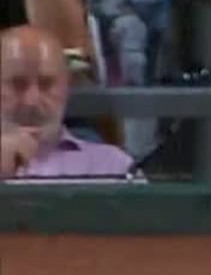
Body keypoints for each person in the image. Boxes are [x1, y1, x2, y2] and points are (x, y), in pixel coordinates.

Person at [1, 24, 137, 180]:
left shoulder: (114, 166)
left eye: (46, 84)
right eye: (17, 84)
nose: (31, 101)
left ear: (66, 86)